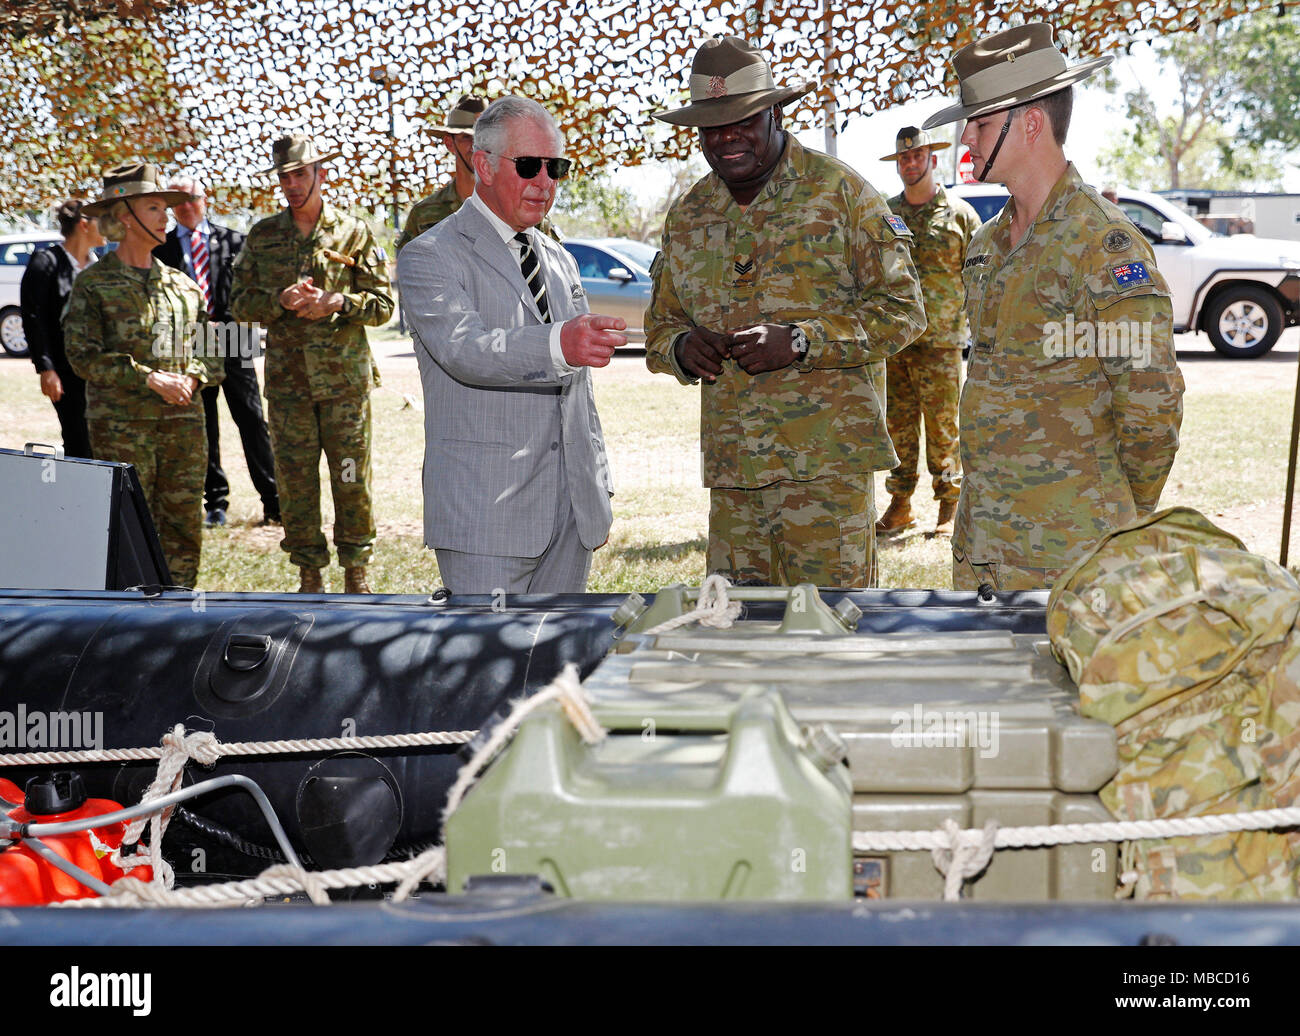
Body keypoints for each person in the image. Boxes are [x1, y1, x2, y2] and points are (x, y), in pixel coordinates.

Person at [645, 35, 926, 588]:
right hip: (735, 481)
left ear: (775, 111)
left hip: (825, 475)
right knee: (737, 639)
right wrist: (679, 348)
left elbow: (904, 311)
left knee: (830, 642)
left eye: (742, 121)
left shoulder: (840, 193)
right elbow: (660, 326)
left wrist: (801, 340)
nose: (726, 138)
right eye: (711, 127)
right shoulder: (690, 213)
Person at [922, 22, 1185, 591]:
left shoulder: (1100, 245)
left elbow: (1149, 403)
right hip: (983, 543)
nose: (966, 138)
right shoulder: (987, 244)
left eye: (982, 123)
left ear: (1032, 123)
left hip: (1070, 549)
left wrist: (1111, 514)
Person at [397, 96, 621, 594]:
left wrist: (595, 488)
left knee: (558, 668)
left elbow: (580, 396)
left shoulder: (560, 259)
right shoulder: (430, 255)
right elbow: (465, 350)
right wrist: (560, 343)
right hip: (486, 517)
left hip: (571, 516)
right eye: (528, 165)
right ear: (483, 165)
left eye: (555, 167)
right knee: (487, 672)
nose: (545, 181)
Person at [230, 134, 393, 594]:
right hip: (289, 386)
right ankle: (309, 573)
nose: (292, 184)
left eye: (300, 174)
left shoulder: (354, 232)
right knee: (297, 482)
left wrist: (338, 302)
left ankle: (356, 569)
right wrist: (278, 301)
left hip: (344, 385)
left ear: (321, 174)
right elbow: (238, 303)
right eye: (284, 176)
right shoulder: (263, 236)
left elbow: (383, 306)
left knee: (350, 477)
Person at [63, 163, 224, 588]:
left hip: (184, 429)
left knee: (183, 529)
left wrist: (193, 376)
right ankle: (128, 624)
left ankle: (180, 616)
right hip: (122, 430)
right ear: (124, 217)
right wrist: (148, 378)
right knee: (128, 531)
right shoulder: (93, 285)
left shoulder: (184, 286)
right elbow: (82, 356)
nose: (165, 216)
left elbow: (212, 349)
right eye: (153, 207)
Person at [155, 175, 280, 529]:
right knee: (204, 425)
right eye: (178, 201)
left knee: (253, 420)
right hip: (189, 346)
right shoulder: (161, 248)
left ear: (204, 199)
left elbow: (249, 292)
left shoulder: (235, 241)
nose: (186, 207)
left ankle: (274, 501)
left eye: (192, 198)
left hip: (234, 338)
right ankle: (216, 503)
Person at [875, 127, 981, 539]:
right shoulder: (885, 214)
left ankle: (949, 506)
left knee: (944, 429)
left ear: (933, 160)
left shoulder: (959, 215)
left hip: (941, 343)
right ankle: (900, 505)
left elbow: (979, 276)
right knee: (897, 428)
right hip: (896, 342)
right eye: (903, 158)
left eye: (917, 156)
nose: (910, 163)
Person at [396, 94, 564, 253]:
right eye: (466, 137)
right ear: (450, 143)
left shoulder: (525, 209)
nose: (476, 144)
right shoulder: (424, 215)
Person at [21, 199, 104, 460]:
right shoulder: (46, 262)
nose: (107, 227)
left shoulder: (101, 266)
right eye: (101, 221)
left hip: (102, 372)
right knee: (79, 439)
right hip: (66, 373)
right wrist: (46, 369)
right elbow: (34, 319)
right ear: (84, 225)